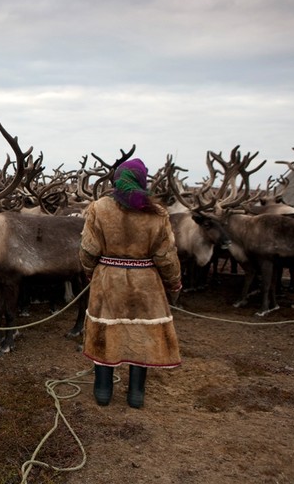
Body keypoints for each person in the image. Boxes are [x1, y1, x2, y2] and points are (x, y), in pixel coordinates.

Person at [79, 158, 182, 409]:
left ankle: (103, 391)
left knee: (104, 333)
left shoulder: (99, 208)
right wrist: (174, 282)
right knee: (142, 335)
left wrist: (90, 273)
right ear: (141, 180)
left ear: (118, 180)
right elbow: (166, 255)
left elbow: (88, 249)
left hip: (108, 280)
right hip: (145, 283)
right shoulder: (157, 212)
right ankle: (136, 394)